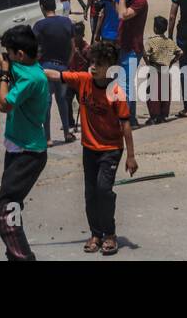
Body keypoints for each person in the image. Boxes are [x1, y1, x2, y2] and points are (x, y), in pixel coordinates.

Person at [42, 39, 138, 256]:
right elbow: (56, 75)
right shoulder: (84, 79)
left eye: (99, 64)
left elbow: (125, 125)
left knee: (103, 190)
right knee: (90, 193)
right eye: (92, 62)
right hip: (89, 148)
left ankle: (110, 234)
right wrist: (28, 67)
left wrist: (130, 156)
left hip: (111, 148)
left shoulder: (116, 93)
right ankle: (96, 234)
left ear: (110, 66)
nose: (93, 67)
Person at [0, 24, 49, 261]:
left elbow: (4, 105)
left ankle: (23, 257)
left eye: (9, 53)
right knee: (13, 206)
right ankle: (14, 255)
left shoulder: (32, 79)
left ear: (19, 54)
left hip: (28, 153)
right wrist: (2, 74)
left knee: (3, 209)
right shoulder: (26, 68)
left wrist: (3, 75)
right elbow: (16, 77)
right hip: (16, 147)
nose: (7, 58)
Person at [33, 0, 75, 145]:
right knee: (62, 101)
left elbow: (33, 49)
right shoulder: (67, 22)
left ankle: (48, 138)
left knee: (46, 102)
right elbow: (73, 47)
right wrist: (67, 64)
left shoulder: (39, 26)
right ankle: (66, 133)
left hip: (45, 67)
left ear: (42, 8)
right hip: (63, 67)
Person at [114, 0, 149, 129]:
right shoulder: (125, 0)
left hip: (133, 49)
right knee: (123, 85)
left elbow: (123, 15)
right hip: (124, 47)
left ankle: (130, 120)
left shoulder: (140, 1)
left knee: (127, 85)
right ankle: (129, 118)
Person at [144, 17, 178, 124]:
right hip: (166, 70)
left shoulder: (151, 41)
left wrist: (147, 62)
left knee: (153, 93)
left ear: (155, 28)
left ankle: (154, 116)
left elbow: (146, 53)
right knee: (165, 93)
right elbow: (180, 52)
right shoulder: (170, 42)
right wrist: (172, 62)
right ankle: (163, 115)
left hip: (154, 69)